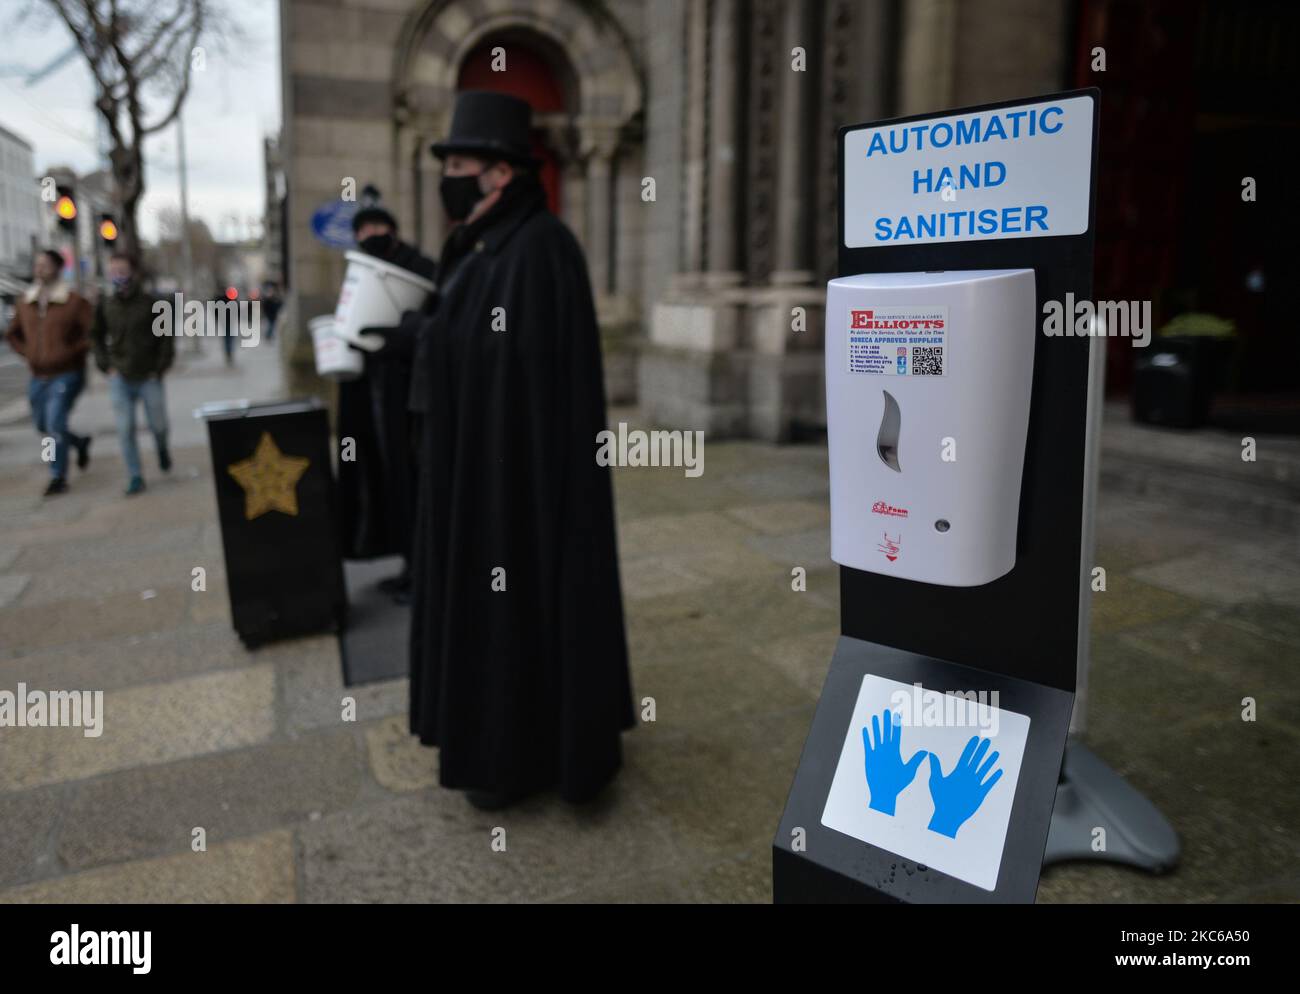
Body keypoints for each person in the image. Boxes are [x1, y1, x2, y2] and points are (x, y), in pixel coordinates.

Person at [407, 91, 634, 809]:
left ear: (501, 173)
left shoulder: (539, 249)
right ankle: (495, 746)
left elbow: (516, 372)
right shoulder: (480, 244)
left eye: (462, 163)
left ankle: (522, 755)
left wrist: (430, 343)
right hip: (476, 469)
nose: (451, 175)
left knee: (516, 601)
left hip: (517, 481)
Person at [335, 205, 436, 601]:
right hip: (372, 395)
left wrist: (404, 339)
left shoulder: (421, 269)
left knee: (412, 483)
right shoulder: (358, 275)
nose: (371, 234)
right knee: (388, 483)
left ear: (393, 231)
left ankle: (424, 570)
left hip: (409, 400)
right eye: (364, 229)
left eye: (379, 226)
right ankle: (408, 562)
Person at [4, 249, 93, 496]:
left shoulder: (73, 301)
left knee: (54, 424)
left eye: (45, 264)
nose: (39, 268)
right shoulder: (25, 301)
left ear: (58, 268)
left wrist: (70, 352)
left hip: (66, 373)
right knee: (44, 426)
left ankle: (57, 475)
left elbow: (91, 334)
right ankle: (78, 442)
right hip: (38, 375)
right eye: (37, 264)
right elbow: (12, 333)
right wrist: (29, 352)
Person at [93, 253, 173, 496]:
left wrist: (158, 369)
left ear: (133, 273)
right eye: (114, 272)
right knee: (125, 428)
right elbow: (95, 336)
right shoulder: (106, 304)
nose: (118, 276)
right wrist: (105, 365)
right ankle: (135, 475)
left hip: (148, 376)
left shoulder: (152, 302)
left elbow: (166, 339)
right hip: (120, 376)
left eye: (122, 271)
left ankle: (161, 448)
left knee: (158, 425)